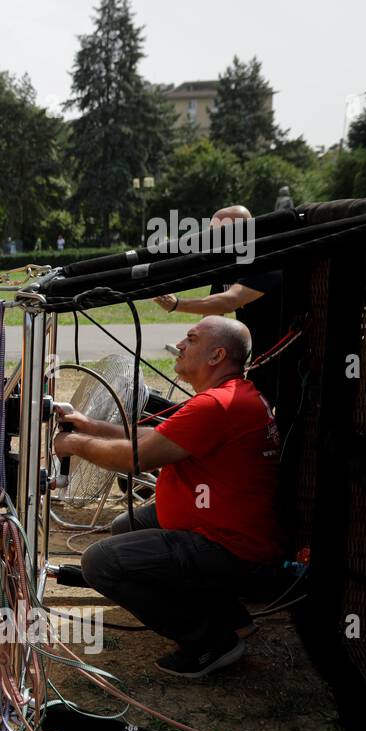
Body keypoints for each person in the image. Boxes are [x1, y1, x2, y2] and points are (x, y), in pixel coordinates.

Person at [54, 315, 284, 678]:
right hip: (225, 527)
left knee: (99, 562)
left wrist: (74, 444)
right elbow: (153, 436)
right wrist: (91, 426)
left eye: (191, 339)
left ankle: (210, 642)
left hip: (228, 547)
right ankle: (230, 617)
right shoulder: (228, 397)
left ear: (216, 356)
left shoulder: (217, 406)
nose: (179, 345)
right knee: (126, 525)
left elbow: (138, 457)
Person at [151, 204, 283, 402]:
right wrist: (194, 356)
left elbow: (229, 301)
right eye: (211, 232)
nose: (212, 239)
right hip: (260, 355)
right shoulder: (227, 264)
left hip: (287, 354)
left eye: (220, 232)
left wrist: (177, 304)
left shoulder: (265, 259)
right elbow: (212, 319)